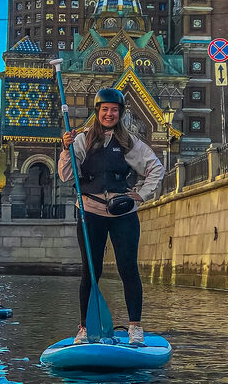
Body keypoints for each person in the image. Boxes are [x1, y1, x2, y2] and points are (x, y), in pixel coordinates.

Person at [59, 88, 165, 345]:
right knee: (90, 271)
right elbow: (65, 175)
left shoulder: (129, 142)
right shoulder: (83, 139)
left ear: (120, 113)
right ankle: (84, 328)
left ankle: (135, 327)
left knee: (128, 268)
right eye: (105, 109)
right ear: (97, 112)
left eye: (114, 110)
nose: (109, 114)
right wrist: (66, 149)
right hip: (89, 210)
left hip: (123, 212)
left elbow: (156, 168)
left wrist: (141, 194)